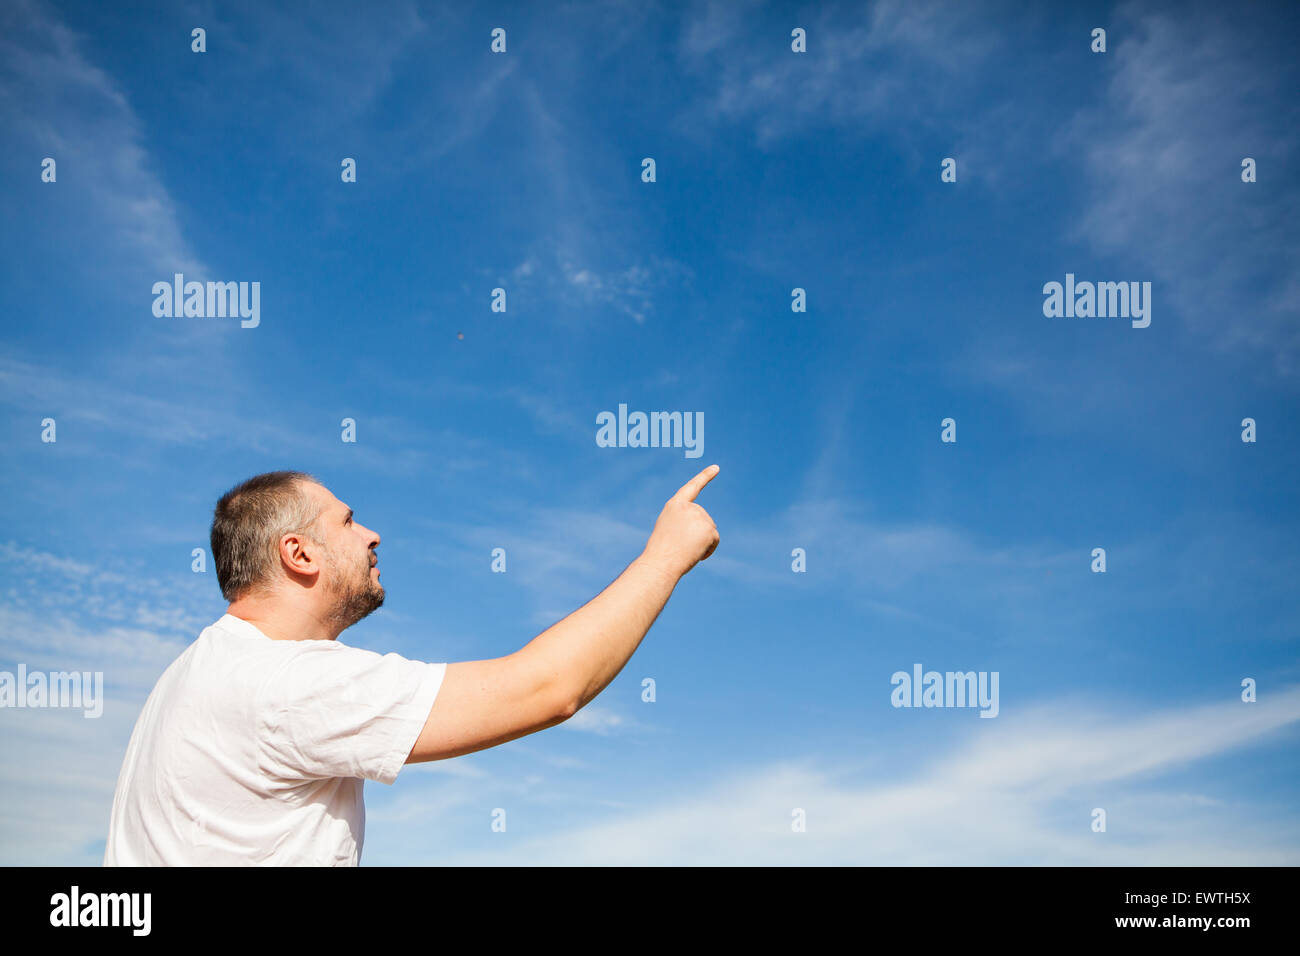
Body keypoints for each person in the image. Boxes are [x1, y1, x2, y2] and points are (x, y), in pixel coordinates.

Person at [103, 466, 720, 865]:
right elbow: (548, 688)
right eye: (346, 520)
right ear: (298, 554)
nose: (371, 533)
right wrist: (664, 558)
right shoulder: (284, 684)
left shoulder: (193, 673)